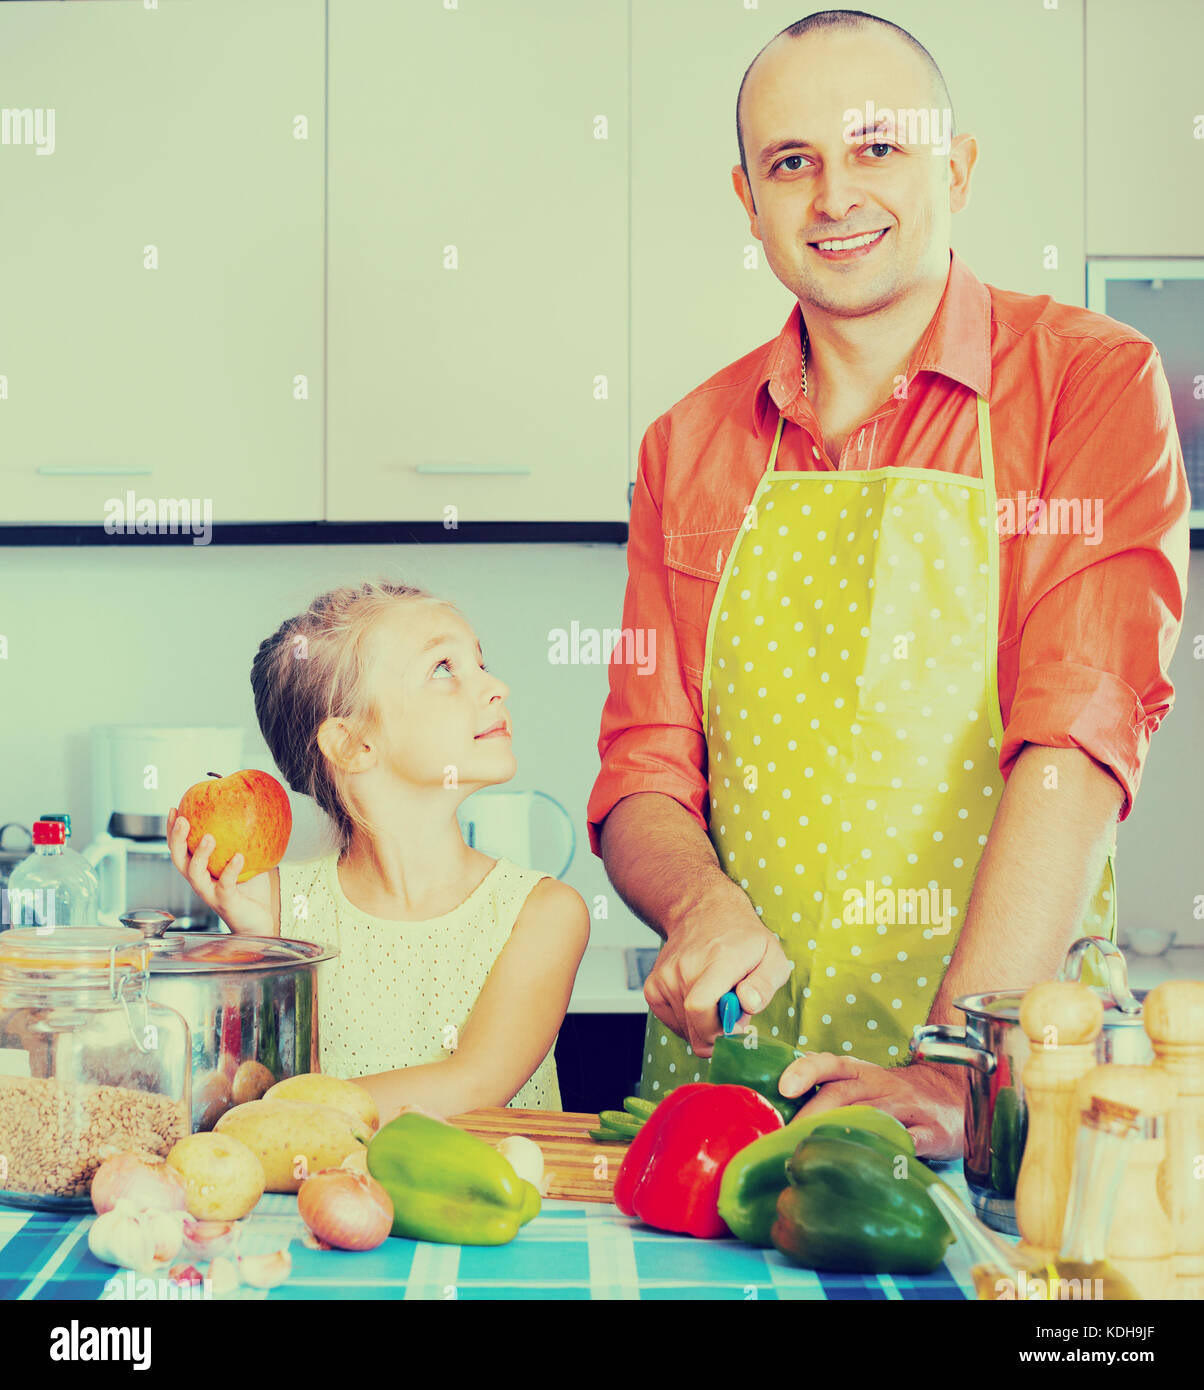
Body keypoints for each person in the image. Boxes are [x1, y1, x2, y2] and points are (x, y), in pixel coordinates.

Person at [587, 11, 1189, 1156]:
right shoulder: (686, 445)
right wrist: (699, 904)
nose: (832, 196)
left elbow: (1076, 741)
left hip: (994, 1095)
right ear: (747, 197)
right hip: (728, 1101)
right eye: (791, 162)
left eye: (877, 148)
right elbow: (642, 774)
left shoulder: (1090, 387)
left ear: (952, 168)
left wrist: (956, 1063)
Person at [169, 579, 590, 1123]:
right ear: (354, 744)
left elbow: (476, 1081)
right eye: (443, 668)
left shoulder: (543, 913)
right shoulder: (280, 913)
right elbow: (249, 1081)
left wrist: (277, 1115)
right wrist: (262, 949)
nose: (497, 687)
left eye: (481, 663)